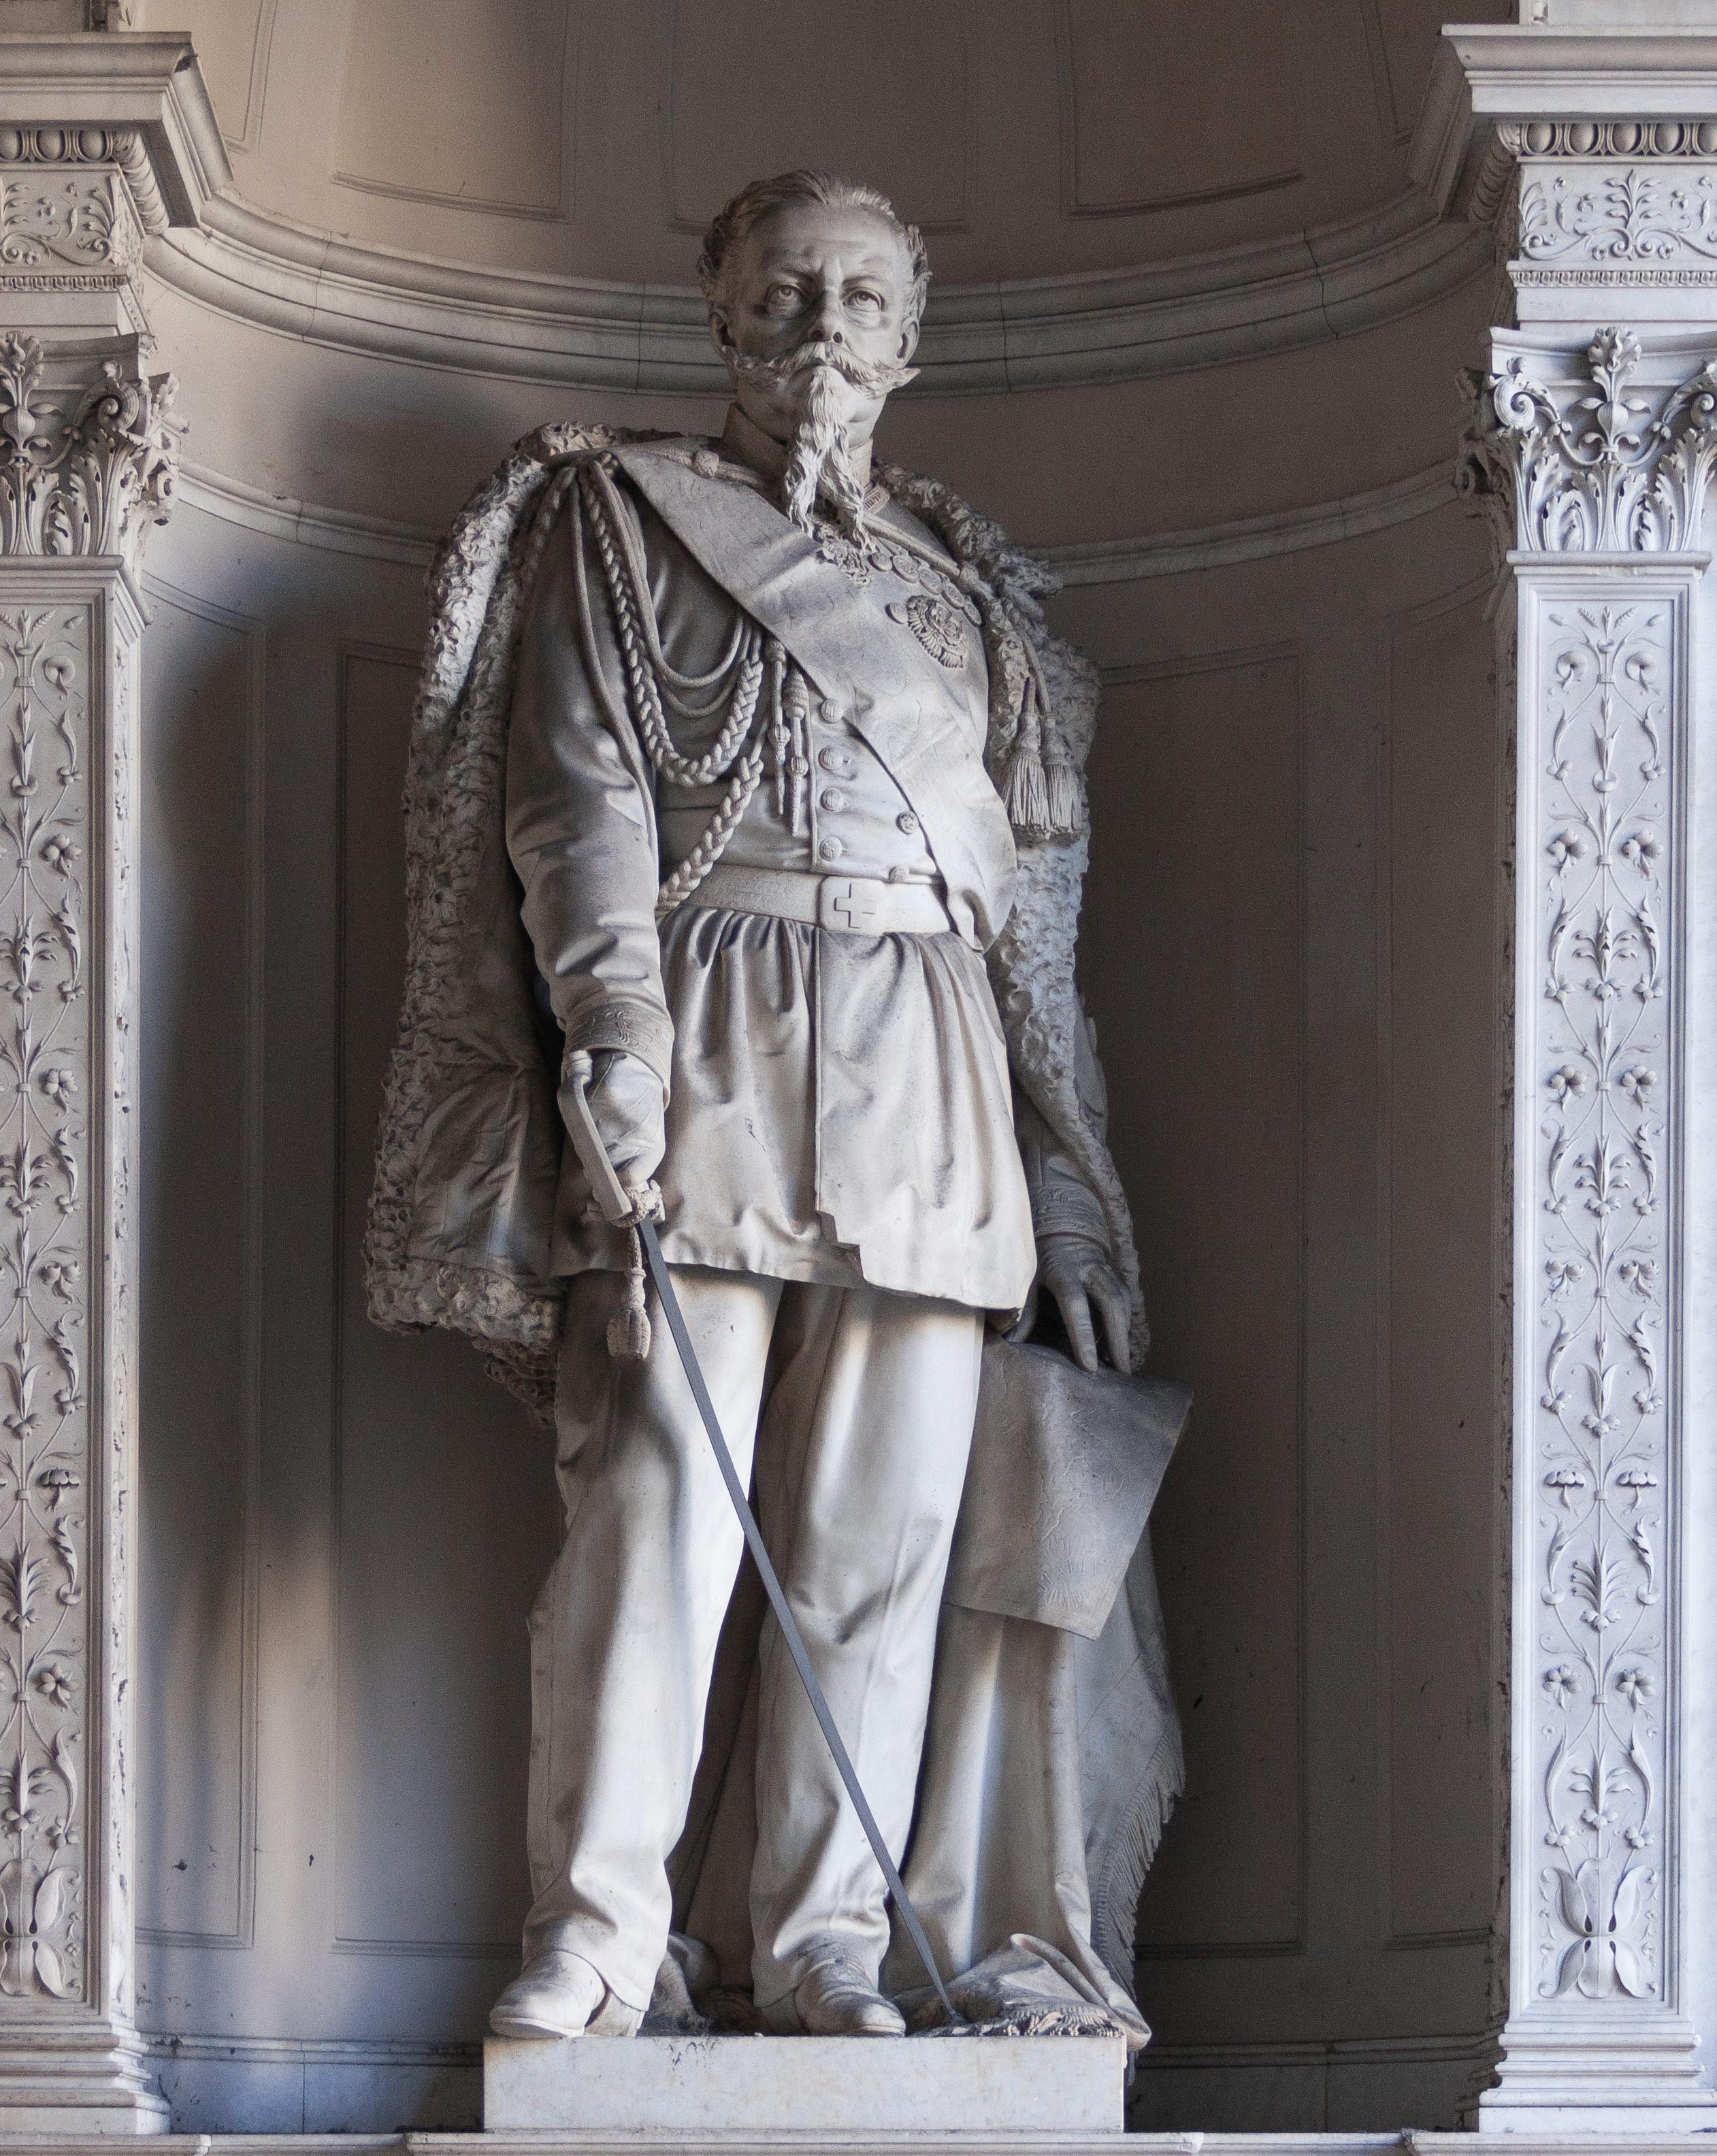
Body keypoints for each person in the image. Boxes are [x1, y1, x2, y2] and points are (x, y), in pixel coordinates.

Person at [364, 169, 1149, 2043]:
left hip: (936, 1066)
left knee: (879, 1543)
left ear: (911, 338)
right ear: (720, 318)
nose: (823, 330)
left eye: (862, 298)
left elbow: (1037, 929)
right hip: (708, 1028)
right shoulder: (617, 530)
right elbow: (576, 803)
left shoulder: (973, 608)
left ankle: (823, 1941)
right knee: (651, 1509)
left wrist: (1076, 1189)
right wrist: (613, 1045)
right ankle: (601, 1934)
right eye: (786, 291)